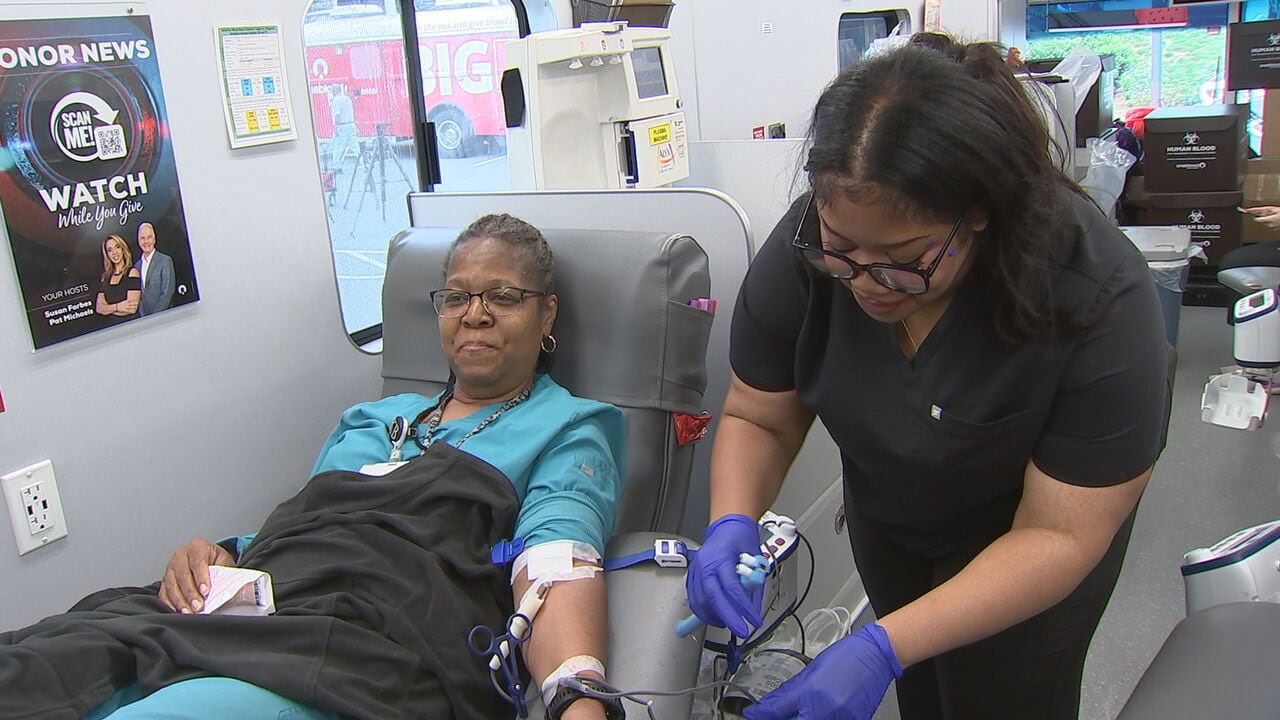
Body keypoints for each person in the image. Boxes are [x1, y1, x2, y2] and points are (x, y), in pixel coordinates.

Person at [684, 33, 1169, 720]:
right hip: (894, 521)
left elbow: (1060, 534)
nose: (865, 281)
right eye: (841, 249)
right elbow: (760, 413)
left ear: (979, 211)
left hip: (1030, 542)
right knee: (923, 693)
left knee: (1003, 700)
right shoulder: (812, 251)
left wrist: (881, 647)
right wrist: (732, 518)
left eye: (902, 259)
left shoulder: (1094, 293)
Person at [0, 214, 627, 720]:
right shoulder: (369, 419)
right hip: (264, 606)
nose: (475, 313)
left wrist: (576, 697)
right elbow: (307, 530)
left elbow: (556, 562)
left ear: (546, 314)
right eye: (457, 296)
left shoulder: (568, 426)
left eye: (503, 296)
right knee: (48, 666)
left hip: (366, 643)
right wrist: (217, 554)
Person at [94, 234, 141, 323]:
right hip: (111, 326)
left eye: (117, 247)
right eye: (110, 250)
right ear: (107, 254)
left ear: (123, 249)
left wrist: (108, 309)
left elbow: (132, 309)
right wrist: (118, 307)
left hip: (131, 324)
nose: (114, 252)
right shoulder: (105, 278)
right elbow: (99, 308)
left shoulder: (132, 272)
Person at [134, 222, 175, 316]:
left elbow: (167, 294)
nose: (146, 241)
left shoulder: (165, 261)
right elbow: (138, 297)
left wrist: (155, 317)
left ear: (154, 239)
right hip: (144, 318)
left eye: (149, 237)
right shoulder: (136, 266)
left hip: (164, 316)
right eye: (142, 238)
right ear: (138, 241)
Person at [328, 84, 357, 172]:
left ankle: (337, 167)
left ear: (335, 91)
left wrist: (336, 128)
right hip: (351, 124)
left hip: (342, 126)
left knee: (338, 147)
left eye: (332, 90)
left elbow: (337, 115)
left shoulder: (336, 100)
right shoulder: (348, 99)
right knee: (355, 146)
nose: (332, 92)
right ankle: (365, 163)